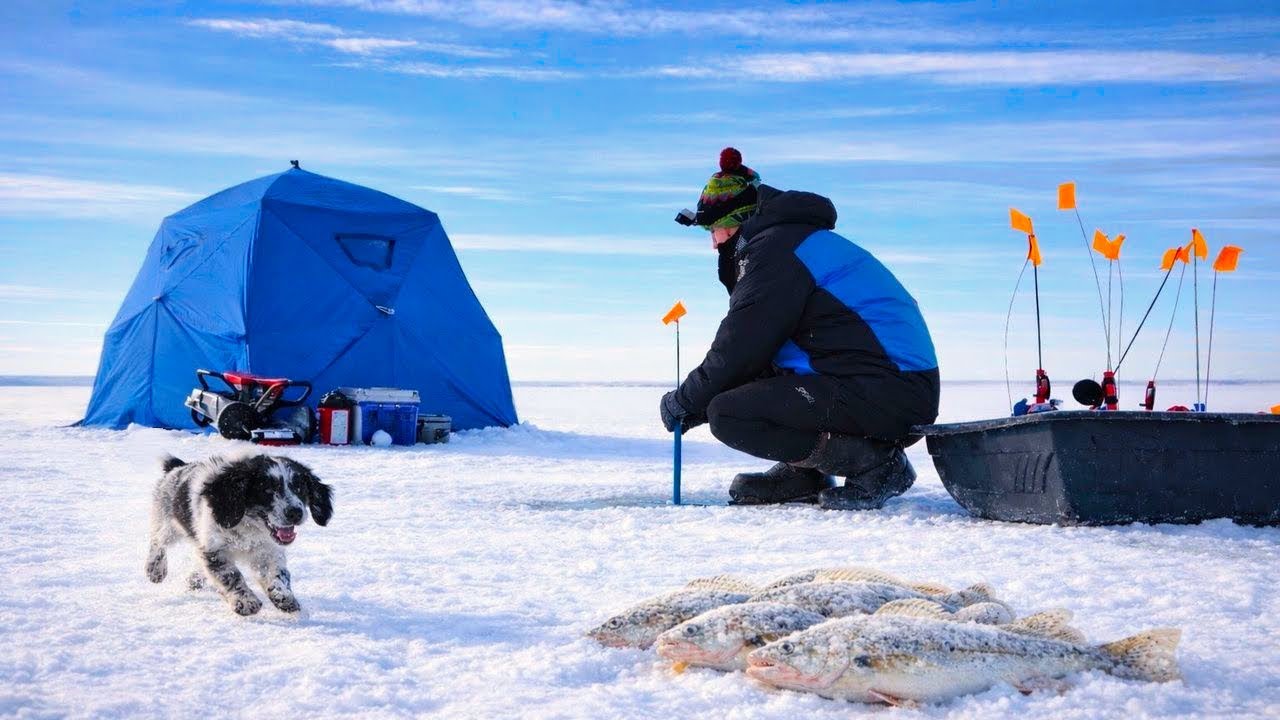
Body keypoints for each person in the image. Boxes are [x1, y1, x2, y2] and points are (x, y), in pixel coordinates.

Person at [660, 148, 940, 510]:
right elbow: (761, 354)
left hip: (892, 389)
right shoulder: (784, 242)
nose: (713, 242)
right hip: (876, 382)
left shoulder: (778, 251)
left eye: (715, 229)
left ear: (738, 221)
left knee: (729, 414)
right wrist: (698, 400)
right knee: (741, 391)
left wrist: (685, 401)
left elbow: (740, 346)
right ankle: (804, 472)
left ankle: (876, 464)